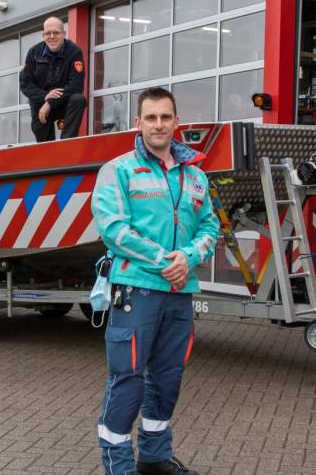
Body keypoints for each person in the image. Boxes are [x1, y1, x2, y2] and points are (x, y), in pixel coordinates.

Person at [90, 87, 219, 475]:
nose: (159, 124)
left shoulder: (196, 176)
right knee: (127, 381)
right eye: (151, 117)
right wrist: (166, 260)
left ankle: (155, 458)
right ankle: (118, 465)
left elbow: (210, 226)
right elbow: (114, 229)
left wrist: (189, 257)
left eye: (166, 117)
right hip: (137, 290)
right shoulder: (119, 169)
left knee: (167, 379)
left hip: (179, 294)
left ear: (177, 122)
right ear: (138, 123)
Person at [19, 16, 87, 142]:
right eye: (47, 33)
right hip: (40, 104)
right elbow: (25, 83)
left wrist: (50, 102)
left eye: (56, 32)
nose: (51, 36)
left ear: (64, 34)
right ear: (43, 35)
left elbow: (76, 85)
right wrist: (45, 96)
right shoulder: (33, 53)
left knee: (78, 99)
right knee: (44, 145)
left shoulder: (74, 52)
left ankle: (67, 144)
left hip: (63, 102)